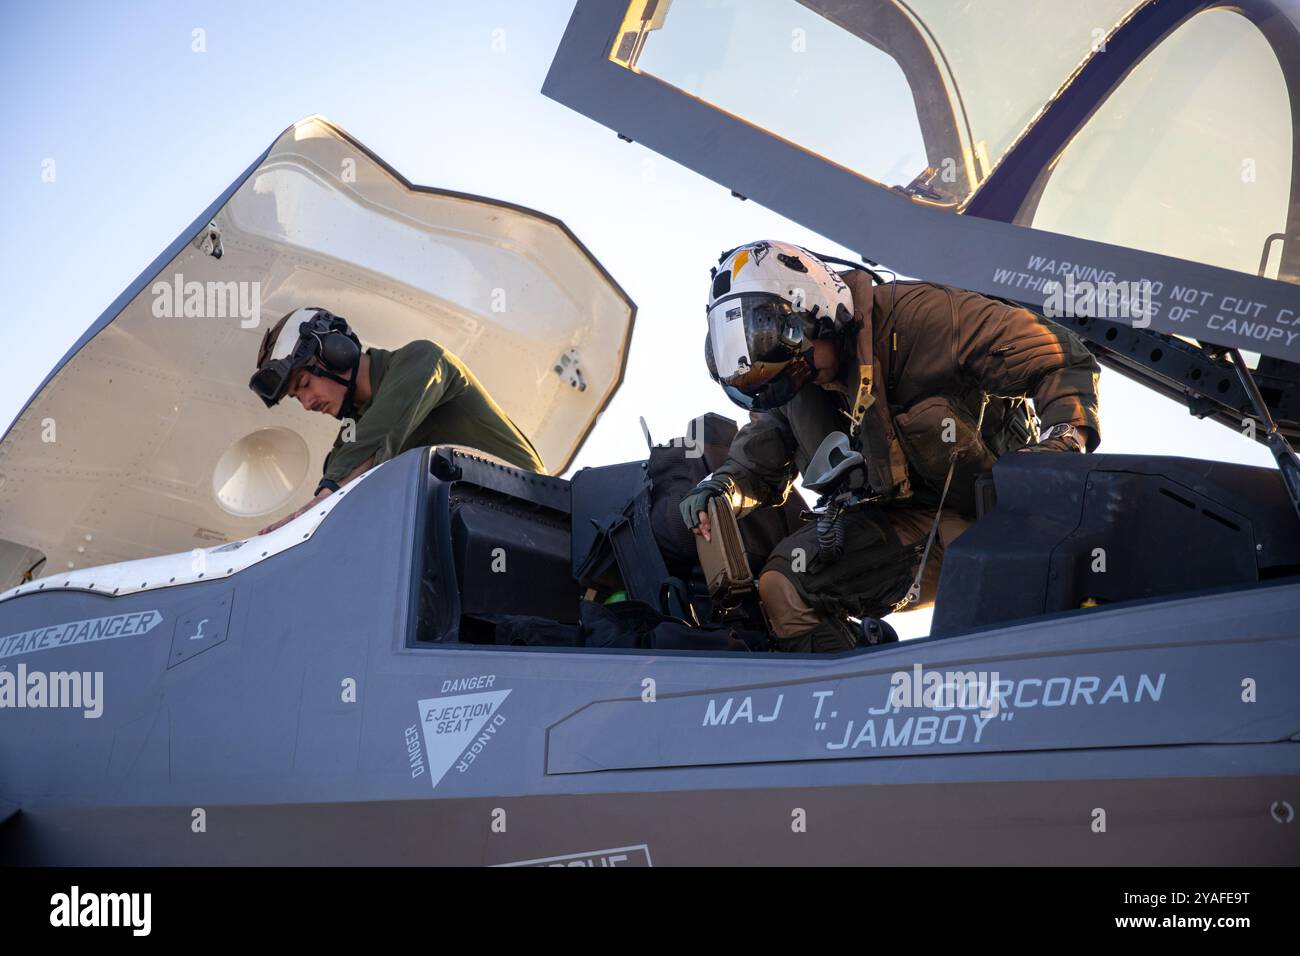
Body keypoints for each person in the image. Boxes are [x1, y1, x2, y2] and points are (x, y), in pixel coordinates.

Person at [680, 240, 1101, 652]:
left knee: (1022, 645)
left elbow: (1058, 356)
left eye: (796, 366)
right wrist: (722, 490)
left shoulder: (926, 318)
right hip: (908, 528)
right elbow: (757, 463)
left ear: (817, 313)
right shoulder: (796, 389)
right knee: (785, 586)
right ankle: (852, 702)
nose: (797, 381)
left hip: (1005, 518)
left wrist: (1064, 439)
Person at [248, 306, 543, 533]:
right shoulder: (349, 440)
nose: (308, 404)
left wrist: (320, 503)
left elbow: (381, 430)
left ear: (336, 352)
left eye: (304, 385)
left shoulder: (422, 359)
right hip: (469, 547)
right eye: (297, 398)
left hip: (535, 520)